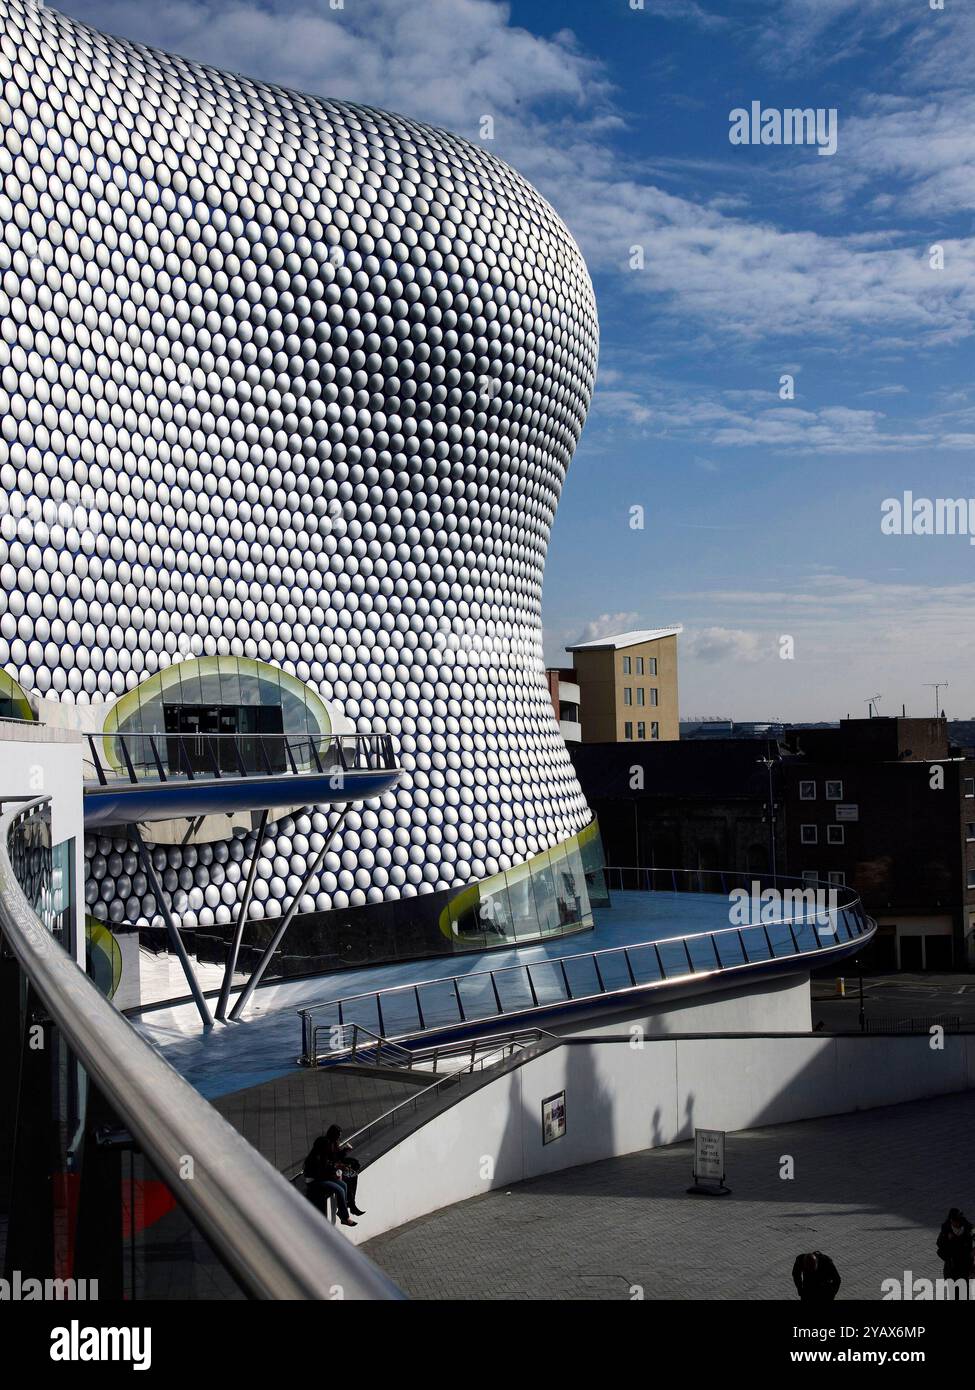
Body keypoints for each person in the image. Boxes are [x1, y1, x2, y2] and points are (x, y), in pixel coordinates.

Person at [302, 1135, 357, 1227]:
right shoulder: (314, 1158)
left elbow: (328, 1166)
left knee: (343, 1185)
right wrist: (334, 1173)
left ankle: (341, 1212)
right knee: (340, 1190)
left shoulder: (322, 1155)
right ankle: (345, 1217)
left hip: (322, 1178)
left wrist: (335, 1170)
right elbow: (319, 1173)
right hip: (315, 1182)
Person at [319, 1124, 365, 1216]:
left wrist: (344, 1151)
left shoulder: (334, 1143)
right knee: (346, 1180)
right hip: (329, 1170)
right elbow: (329, 1161)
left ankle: (351, 1203)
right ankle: (350, 1206)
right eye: (338, 1134)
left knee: (354, 1173)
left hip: (335, 1165)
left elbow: (337, 1156)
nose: (339, 1137)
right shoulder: (327, 1144)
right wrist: (340, 1165)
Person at [936, 1209, 973, 1283]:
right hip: (952, 1270)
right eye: (954, 1221)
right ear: (951, 1220)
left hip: (965, 1268)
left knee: (965, 1293)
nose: (956, 1223)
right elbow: (940, 1248)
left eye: (958, 1221)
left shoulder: (969, 1229)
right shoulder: (945, 1232)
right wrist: (949, 1259)